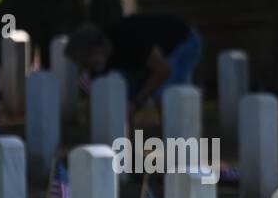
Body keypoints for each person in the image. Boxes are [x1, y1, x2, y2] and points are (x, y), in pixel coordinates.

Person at [65, 14, 201, 121]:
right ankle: (127, 150)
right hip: (145, 59)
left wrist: (136, 103)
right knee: (122, 100)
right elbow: (98, 97)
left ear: (97, 49)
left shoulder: (129, 38)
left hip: (182, 42)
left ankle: (177, 148)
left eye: (86, 61)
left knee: (165, 95)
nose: (85, 68)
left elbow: (163, 70)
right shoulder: (98, 60)